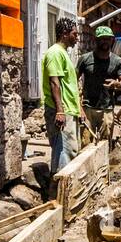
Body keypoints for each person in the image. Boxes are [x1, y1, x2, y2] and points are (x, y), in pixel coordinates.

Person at [43, 17, 81, 174]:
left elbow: (69, 85)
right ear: (65, 34)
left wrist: (79, 109)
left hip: (69, 109)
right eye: (75, 34)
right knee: (63, 154)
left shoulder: (63, 53)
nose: (77, 38)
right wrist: (60, 111)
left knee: (70, 150)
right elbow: (54, 83)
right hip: (61, 110)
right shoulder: (55, 53)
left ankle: (63, 185)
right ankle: (58, 187)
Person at [75, 26, 121, 141]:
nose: (105, 41)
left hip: (107, 109)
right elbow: (73, 81)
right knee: (85, 143)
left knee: (105, 143)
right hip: (87, 108)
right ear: (96, 40)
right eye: (102, 39)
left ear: (112, 40)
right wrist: (79, 108)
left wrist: (115, 83)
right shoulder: (85, 59)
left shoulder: (118, 61)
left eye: (108, 39)